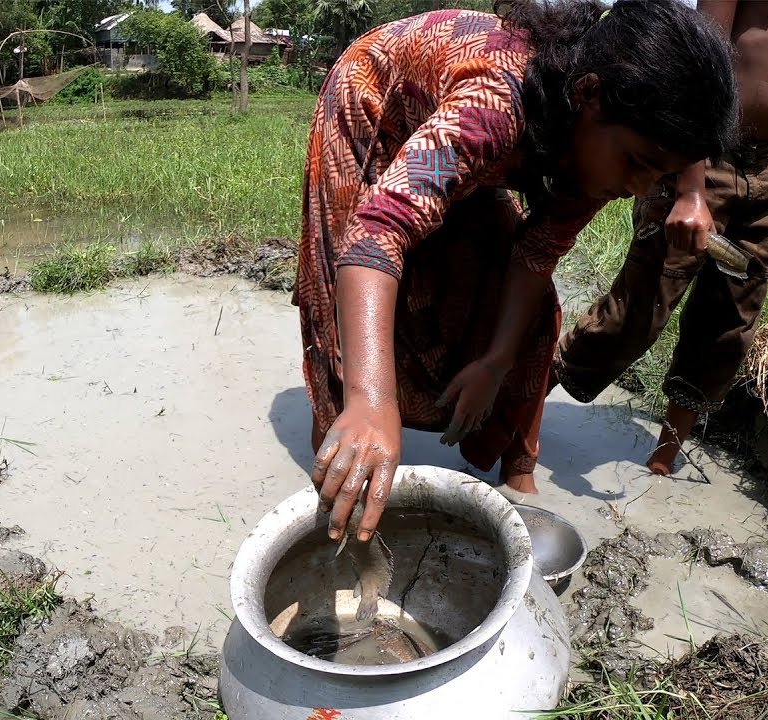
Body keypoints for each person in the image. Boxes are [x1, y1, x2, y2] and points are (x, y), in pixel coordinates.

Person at [297, 0, 738, 541]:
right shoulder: (493, 105)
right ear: (589, 95)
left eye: (660, 177)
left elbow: (535, 256)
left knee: (522, 300)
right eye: (638, 165)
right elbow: (377, 230)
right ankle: (338, 463)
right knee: (344, 294)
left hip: (488, 143)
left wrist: (496, 363)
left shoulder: (598, 153)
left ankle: (517, 480)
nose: (642, 189)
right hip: (373, 108)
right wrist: (371, 400)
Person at [553, 0, 768, 476]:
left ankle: (661, 464)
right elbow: (703, 62)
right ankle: (519, 426)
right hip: (705, 157)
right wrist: (691, 188)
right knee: (637, 312)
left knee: (728, 327)